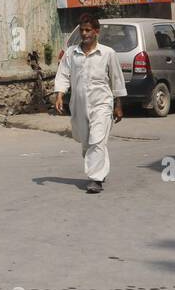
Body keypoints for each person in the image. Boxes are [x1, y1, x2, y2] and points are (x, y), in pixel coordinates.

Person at [53, 12, 125, 194]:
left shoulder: (108, 53)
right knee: (87, 142)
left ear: (96, 32)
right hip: (79, 104)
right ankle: (100, 169)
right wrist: (60, 94)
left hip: (102, 103)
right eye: (82, 30)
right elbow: (63, 74)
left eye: (88, 30)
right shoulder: (71, 53)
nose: (84, 34)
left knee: (97, 140)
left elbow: (116, 80)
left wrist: (118, 105)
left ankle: (96, 179)